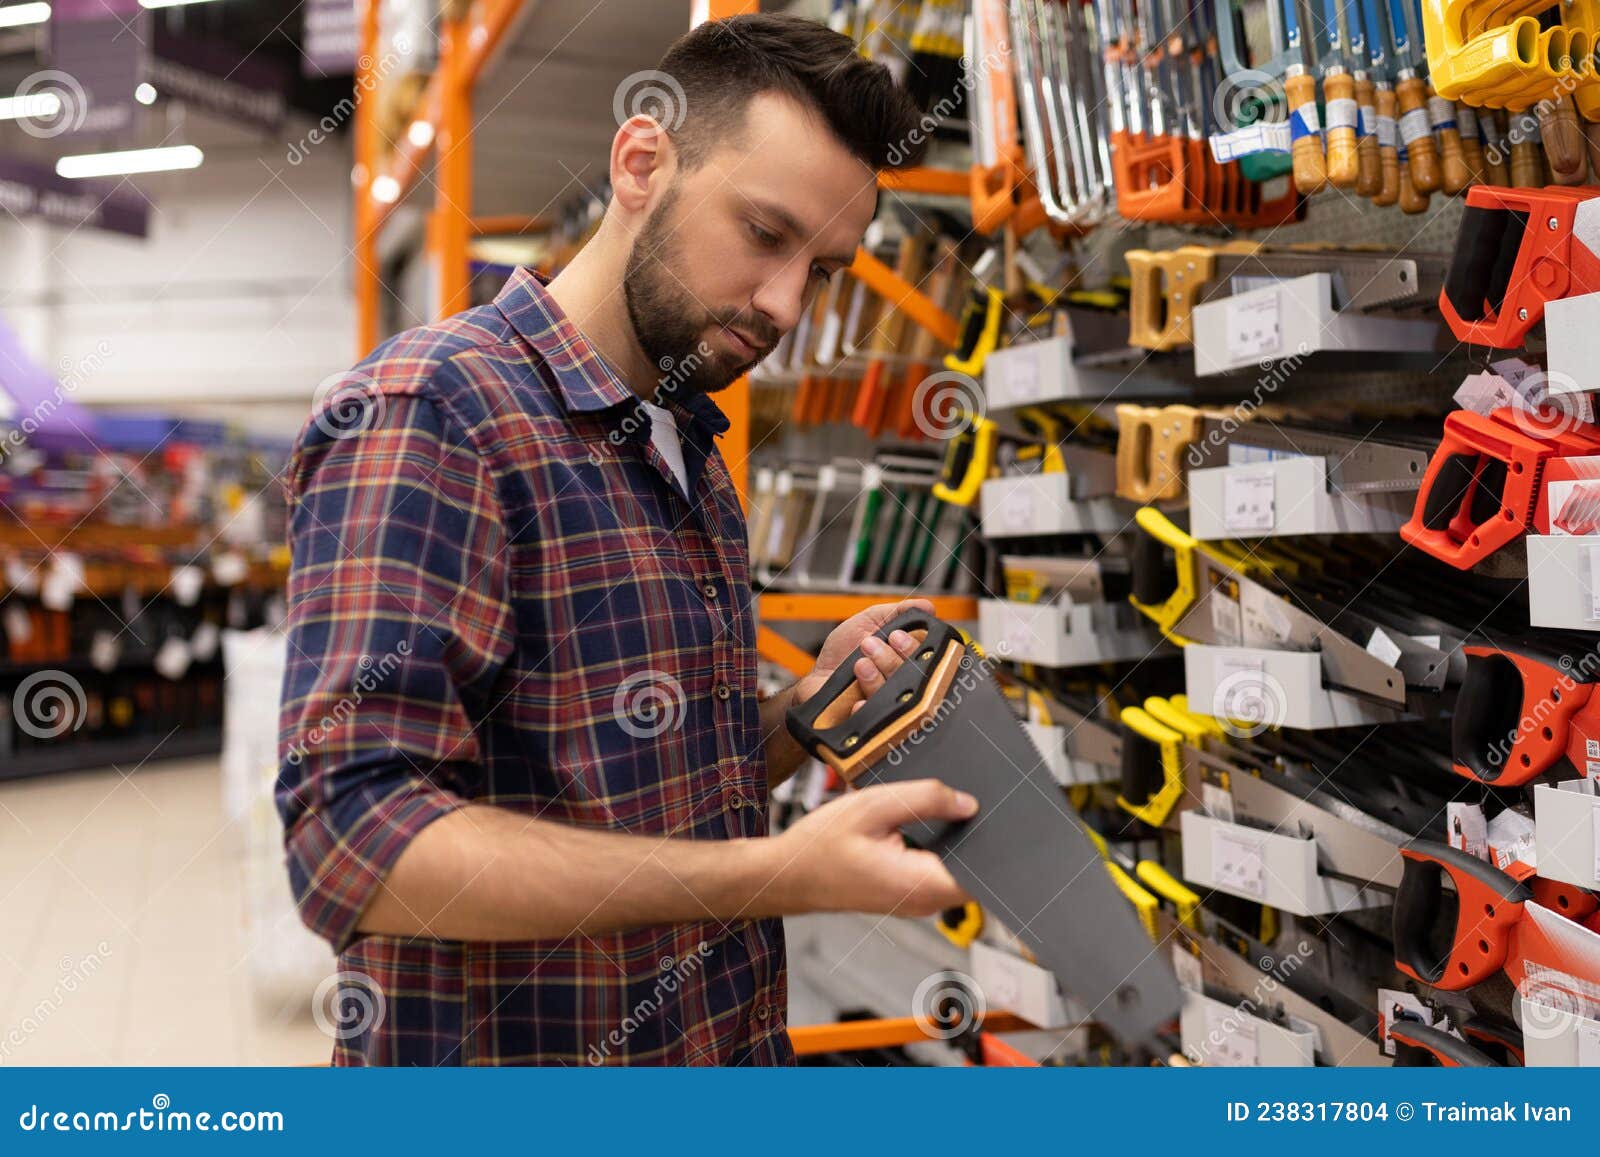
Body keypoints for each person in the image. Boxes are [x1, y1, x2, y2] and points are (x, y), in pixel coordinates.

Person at [276, 13, 974, 1066]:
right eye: (765, 234)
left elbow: (633, 776)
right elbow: (353, 842)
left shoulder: (683, 437)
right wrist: (780, 870)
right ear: (641, 159)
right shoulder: (432, 411)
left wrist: (804, 710)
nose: (785, 302)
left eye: (823, 270)